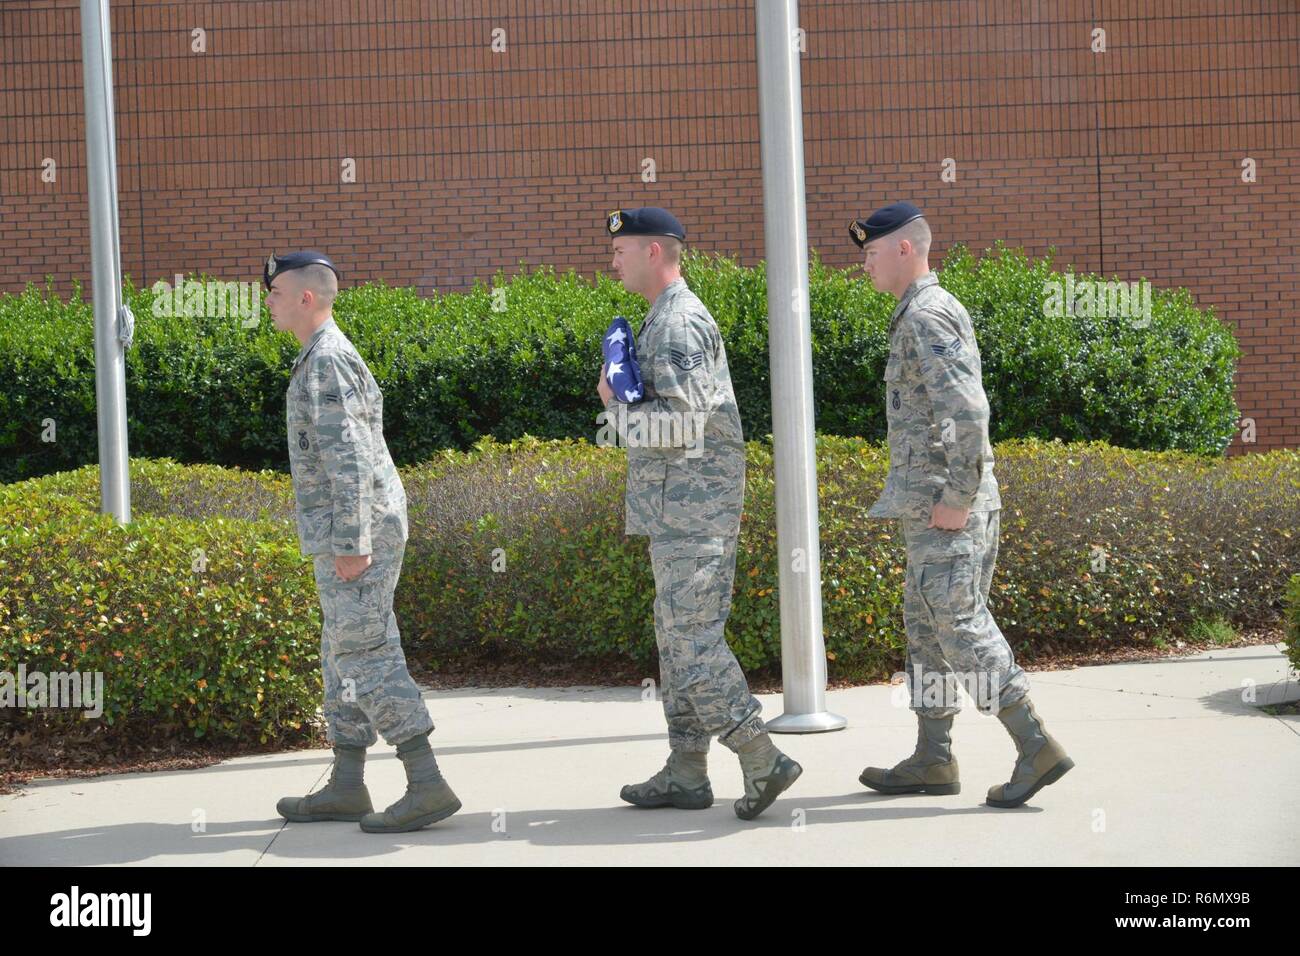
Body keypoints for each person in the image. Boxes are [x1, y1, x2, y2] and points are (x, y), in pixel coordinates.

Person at [850, 204, 1074, 808]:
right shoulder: (917, 313)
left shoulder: (927, 315)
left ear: (904, 249)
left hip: (946, 507)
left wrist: (956, 497)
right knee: (928, 630)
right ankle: (933, 756)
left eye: (871, 252)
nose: (863, 263)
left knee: (960, 626)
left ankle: (1034, 745)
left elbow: (968, 412)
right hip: (931, 506)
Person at [599, 208, 802, 820]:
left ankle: (760, 753)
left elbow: (684, 424)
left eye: (622, 250)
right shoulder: (662, 318)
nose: (613, 260)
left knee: (692, 641)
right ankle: (687, 770)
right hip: (678, 510)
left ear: (655, 252)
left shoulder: (679, 323)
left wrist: (614, 409)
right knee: (676, 638)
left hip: (695, 511)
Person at [266, 250, 461, 832]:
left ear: (307, 297)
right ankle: (348, 784)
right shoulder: (317, 357)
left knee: (364, 652)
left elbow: (348, 457)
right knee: (341, 650)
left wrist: (351, 542)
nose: (266, 300)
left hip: (358, 533)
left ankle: (426, 782)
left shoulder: (326, 360)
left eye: (275, 291)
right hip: (347, 532)